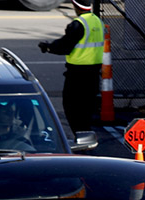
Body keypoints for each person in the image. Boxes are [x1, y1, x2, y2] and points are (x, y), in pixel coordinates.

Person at [38, 0, 104, 136]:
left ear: (76, 6)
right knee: (87, 108)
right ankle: (86, 134)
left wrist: (48, 47)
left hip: (77, 74)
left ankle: (80, 137)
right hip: (93, 73)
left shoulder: (78, 24)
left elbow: (65, 46)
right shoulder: (97, 20)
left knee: (71, 107)